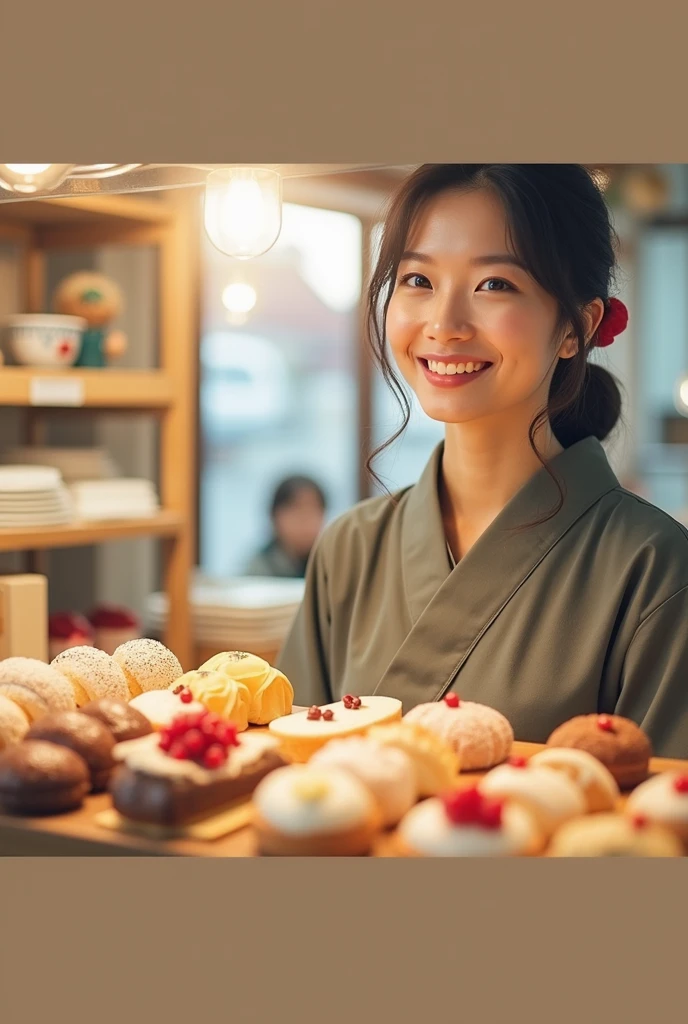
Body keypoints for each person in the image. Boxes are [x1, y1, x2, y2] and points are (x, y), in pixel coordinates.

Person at [277, 163, 688, 758]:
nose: (443, 325)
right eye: (418, 279)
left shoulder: (657, 572)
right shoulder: (349, 551)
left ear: (579, 325)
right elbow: (293, 780)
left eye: (494, 284)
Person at [245, 475, 327, 578]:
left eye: (314, 511)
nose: (306, 520)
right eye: (298, 511)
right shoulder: (258, 570)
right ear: (275, 516)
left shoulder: (330, 563)